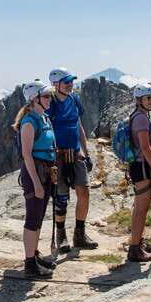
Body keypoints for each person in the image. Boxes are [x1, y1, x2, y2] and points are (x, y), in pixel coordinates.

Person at [47, 67, 98, 252]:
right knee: (61, 198)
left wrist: (86, 152)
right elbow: (47, 129)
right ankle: (61, 236)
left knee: (84, 192)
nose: (70, 85)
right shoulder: (50, 102)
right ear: (56, 84)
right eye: (66, 82)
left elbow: (78, 126)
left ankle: (79, 233)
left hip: (75, 153)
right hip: (58, 156)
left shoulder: (74, 98)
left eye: (71, 81)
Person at [13, 80, 58, 278]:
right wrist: (37, 184)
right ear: (34, 99)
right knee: (33, 218)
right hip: (35, 174)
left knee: (39, 216)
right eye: (46, 96)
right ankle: (29, 263)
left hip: (45, 171)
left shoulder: (44, 118)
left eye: (50, 95)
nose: (50, 99)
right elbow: (27, 155)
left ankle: (34, 254)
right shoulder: (29, 122)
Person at [126, 83, 151, 262]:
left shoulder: (138, 115)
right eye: (148, 98)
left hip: (138, 166)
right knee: (141, 208)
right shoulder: (141, 119)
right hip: (143, 166)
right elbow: (145, 147)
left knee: (139, 206)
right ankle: (135, 249)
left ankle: (137, 242)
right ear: (139, 100)